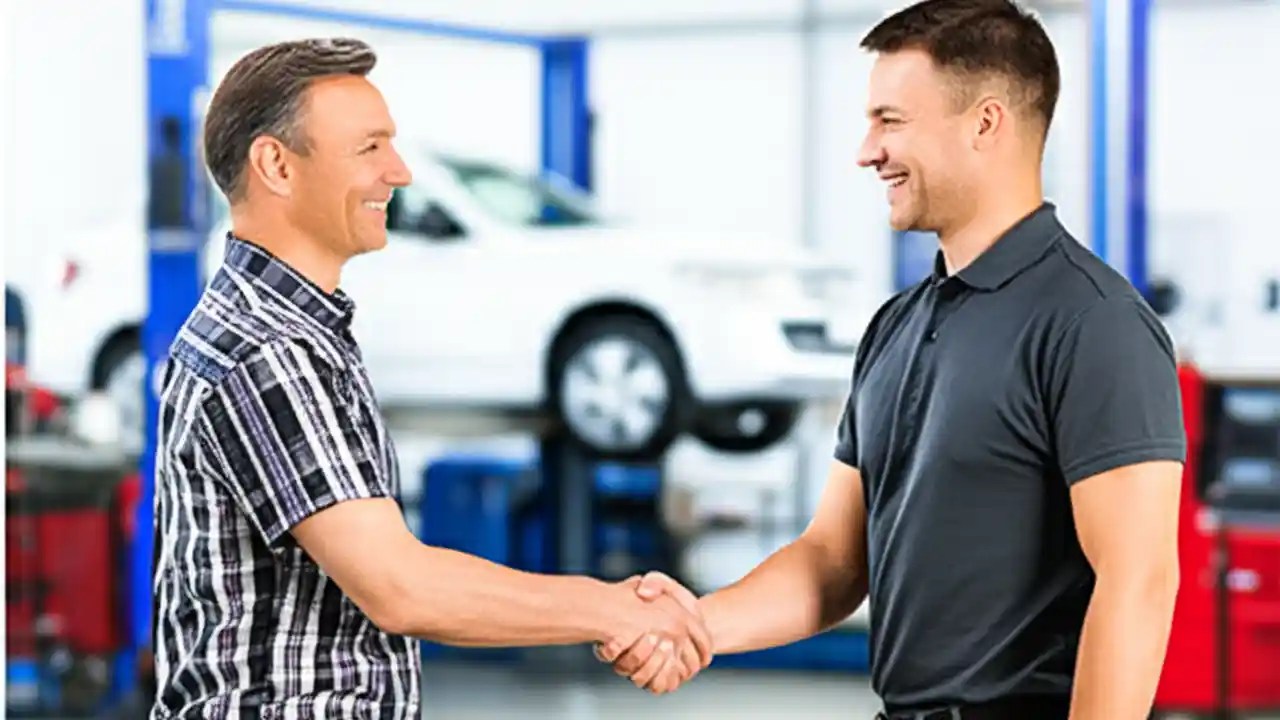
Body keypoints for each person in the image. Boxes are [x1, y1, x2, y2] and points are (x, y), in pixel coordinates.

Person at [603, 1, 1187, 718]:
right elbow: (832, 561)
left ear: (985, 124)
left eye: (891, 121)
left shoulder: (1094, 325)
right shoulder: (896, 326)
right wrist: (696, 626)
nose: (866, 150)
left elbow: (1137, 582)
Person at [149, 38, 709, 719]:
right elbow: (400, 587)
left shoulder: (294, 333)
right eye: (371, 148)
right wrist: (613, 607)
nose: (401, 172)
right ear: (277, 165)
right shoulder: (268, 349)